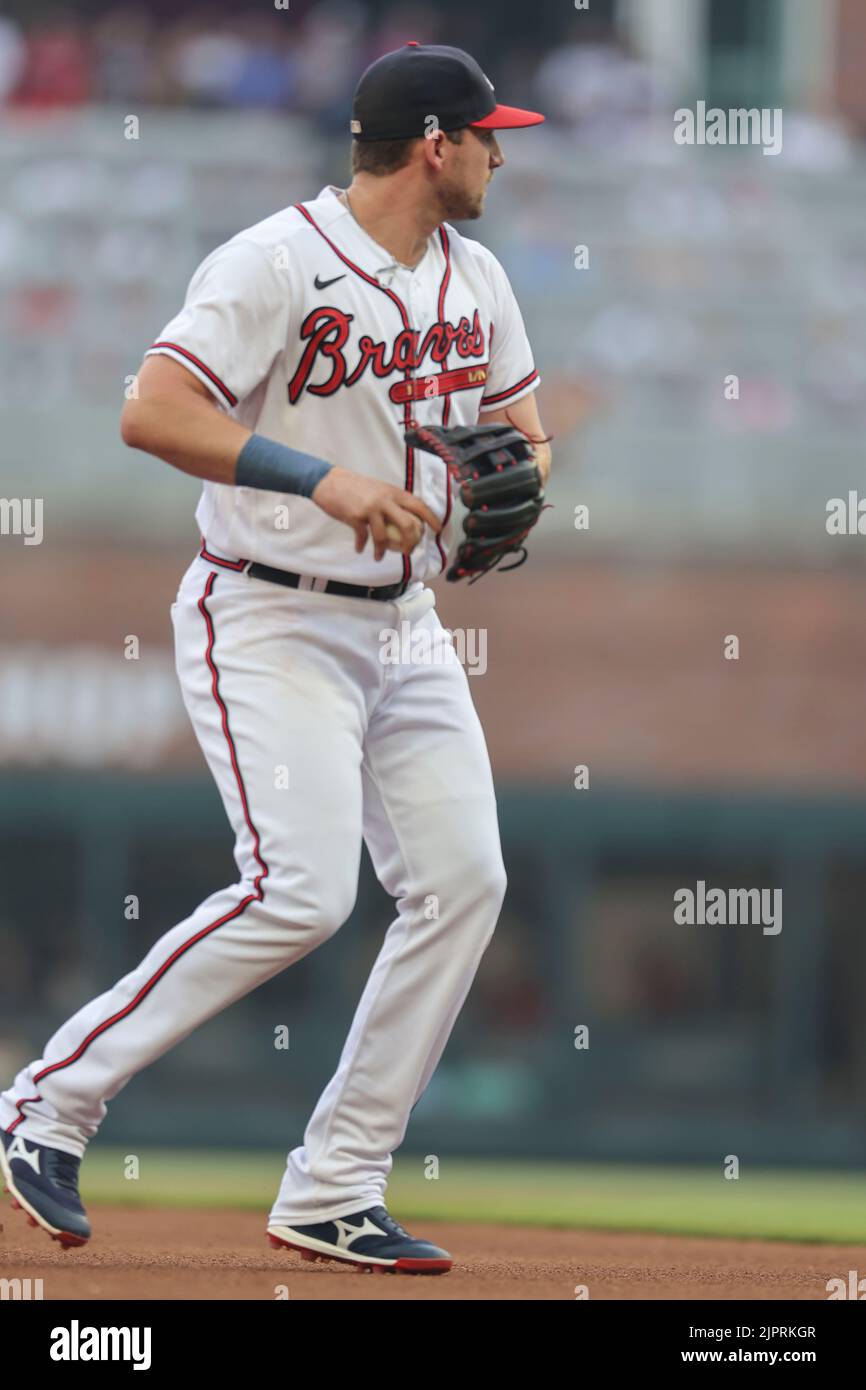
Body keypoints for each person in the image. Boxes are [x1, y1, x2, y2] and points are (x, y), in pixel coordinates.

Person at [0, 41, 550, 1276]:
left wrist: (506, 490)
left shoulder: (479, 277)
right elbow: (153, 407)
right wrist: (324, 475)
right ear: (430, 143)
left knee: (463, 882)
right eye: (485, 135)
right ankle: (46, 1102)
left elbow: (523, 434)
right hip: (268, 612)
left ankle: (335, 1185)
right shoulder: (275, 259)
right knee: (302, 890)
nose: (499, 154)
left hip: (402, 624)